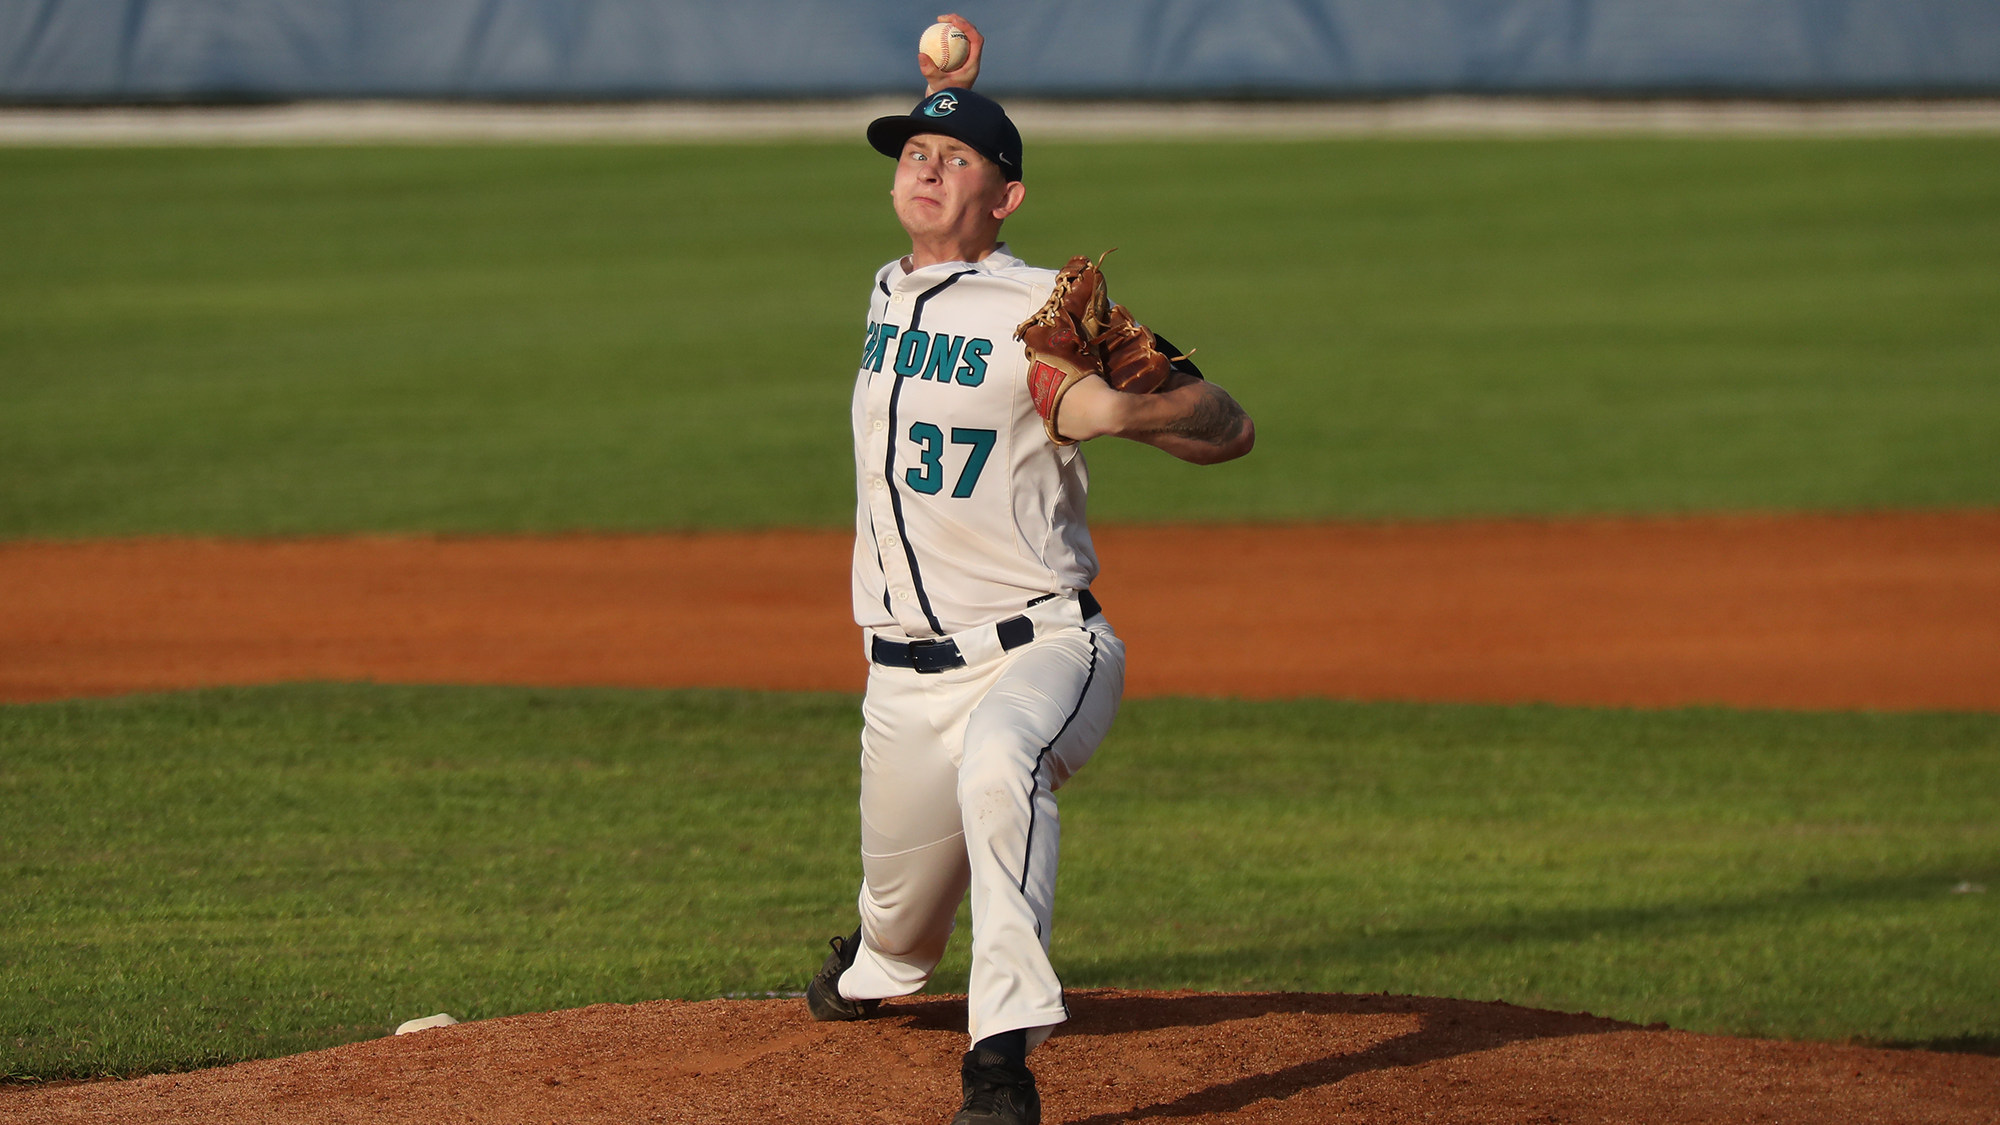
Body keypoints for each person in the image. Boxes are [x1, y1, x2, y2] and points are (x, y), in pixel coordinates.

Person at [806, 15, 1255, 1125]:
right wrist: (948, 101)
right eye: (912, 154)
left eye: (954, 161)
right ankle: (877, 941)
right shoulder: (885, 288)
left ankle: (1000, 1061)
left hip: (1041, 646)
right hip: (900, 686)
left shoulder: (1047, 307)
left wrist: (1121, 408)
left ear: (1006, 197)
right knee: (891, 951)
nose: (923, 169)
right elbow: (939, 176)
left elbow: (1226, 420)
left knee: (1002, 767)